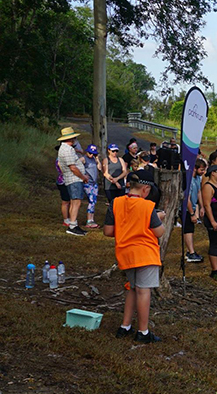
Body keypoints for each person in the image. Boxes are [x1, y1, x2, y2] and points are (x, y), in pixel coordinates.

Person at [103, 170, 165, 343]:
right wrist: (159, 218)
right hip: (146, 254)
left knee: (132, 287)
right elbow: (159, 232)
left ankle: (125, 325)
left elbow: (108, 231)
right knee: (144, 290)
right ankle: (143, 332)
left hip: (125, 253)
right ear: (146, 189)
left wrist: (127, 226)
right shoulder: (148, 207)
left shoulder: (116, 203)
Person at [57, 127, 89, 236]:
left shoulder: (67, 148)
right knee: (76, 201)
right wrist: (83, 177)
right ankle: (72, 226)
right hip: (74, 179)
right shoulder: (67, 150)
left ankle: (73, 223)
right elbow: (73, 168)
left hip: (73, 178)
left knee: (74, 201)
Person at [184, 158, 207, 263]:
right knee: (188, 230)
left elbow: (198, 192)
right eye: (201, 170)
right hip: (186, 209)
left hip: (193, 206)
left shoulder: (198, 178)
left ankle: (190, 250)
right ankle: (191, 253)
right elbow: (186, 198)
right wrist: (192, 213)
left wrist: (201, 206)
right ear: (195, 168)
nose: (203, 172)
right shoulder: (188, 179)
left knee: (191, 230)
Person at [81, 144, 101, 228]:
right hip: (87, 183)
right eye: (90, 153)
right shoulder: (83, 159)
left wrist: (97, 159)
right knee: (91, 200)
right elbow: (77, 166)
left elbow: (99, 168)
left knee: (94, 201)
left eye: (93, 153)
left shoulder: (94, 159)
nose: (91, 155)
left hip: (94, 183)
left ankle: (91, 219)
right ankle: (89, 220)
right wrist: (83, 176)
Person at [55, 157, 70, 227]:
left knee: (70, 201)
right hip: (63, 182)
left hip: (69, 181)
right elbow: (63, 170)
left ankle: (69, 217)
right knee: (65, 201)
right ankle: (66, 219)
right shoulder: (60, 160)